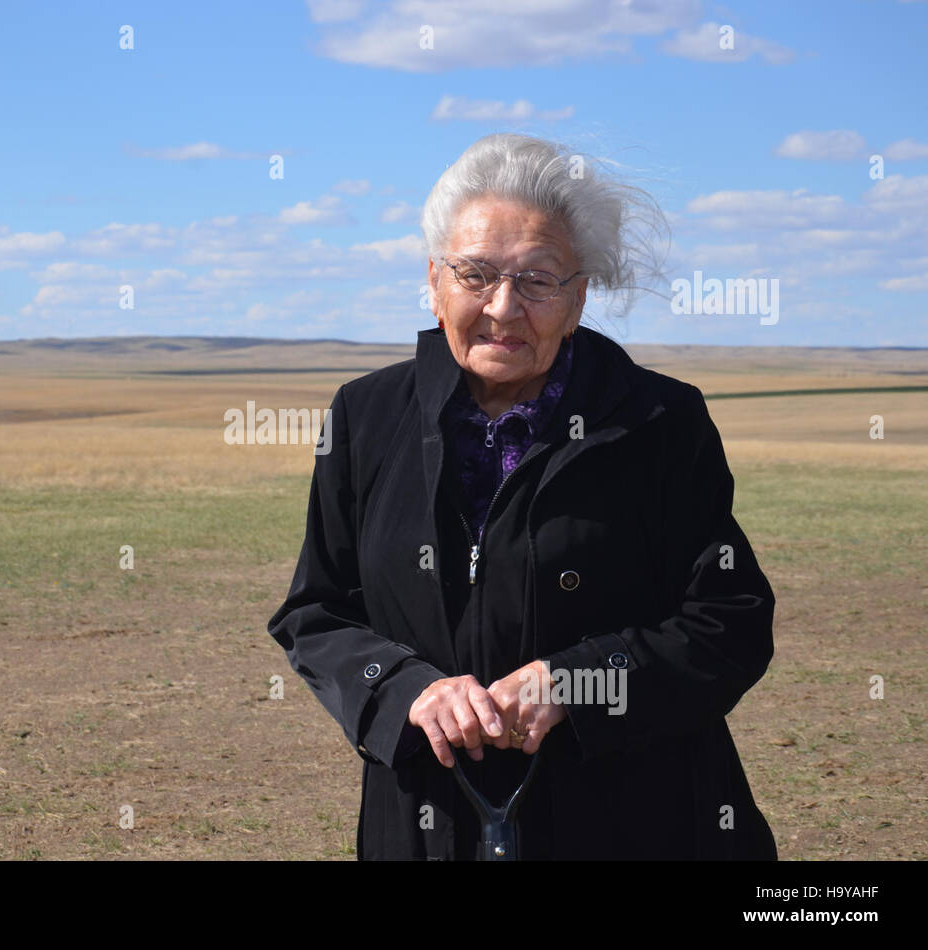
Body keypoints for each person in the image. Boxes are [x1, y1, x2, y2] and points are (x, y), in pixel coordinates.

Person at [267, 133, 777, 860]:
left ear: (579, 298)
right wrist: (407, 689)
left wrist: (581, 683)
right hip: (427, 825)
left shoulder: (659, 424)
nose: (504, 308)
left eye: (538, 280)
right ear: (435, 281)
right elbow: (317, 611)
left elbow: (732, 622)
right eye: (476, 275)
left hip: (634, 822)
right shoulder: (365, 416)